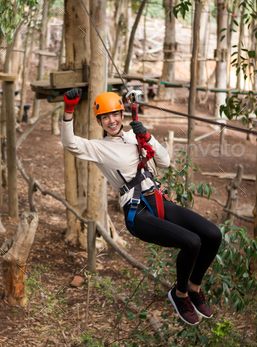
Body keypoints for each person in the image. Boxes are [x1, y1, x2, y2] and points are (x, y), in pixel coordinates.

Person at [61, 88, 222, 325]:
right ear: (99, 121)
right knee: (192, 242)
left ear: (122, 115)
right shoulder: (99, 147)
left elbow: (165, 162)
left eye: (115, 114)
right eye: (105, 117)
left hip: (158, 200)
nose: (111, 120)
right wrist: (68, 111)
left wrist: (147, 137)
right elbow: (70, 144)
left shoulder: (135, 135)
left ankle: (194, 289)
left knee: (212, 235)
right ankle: (180, 295)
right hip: (139, 212)